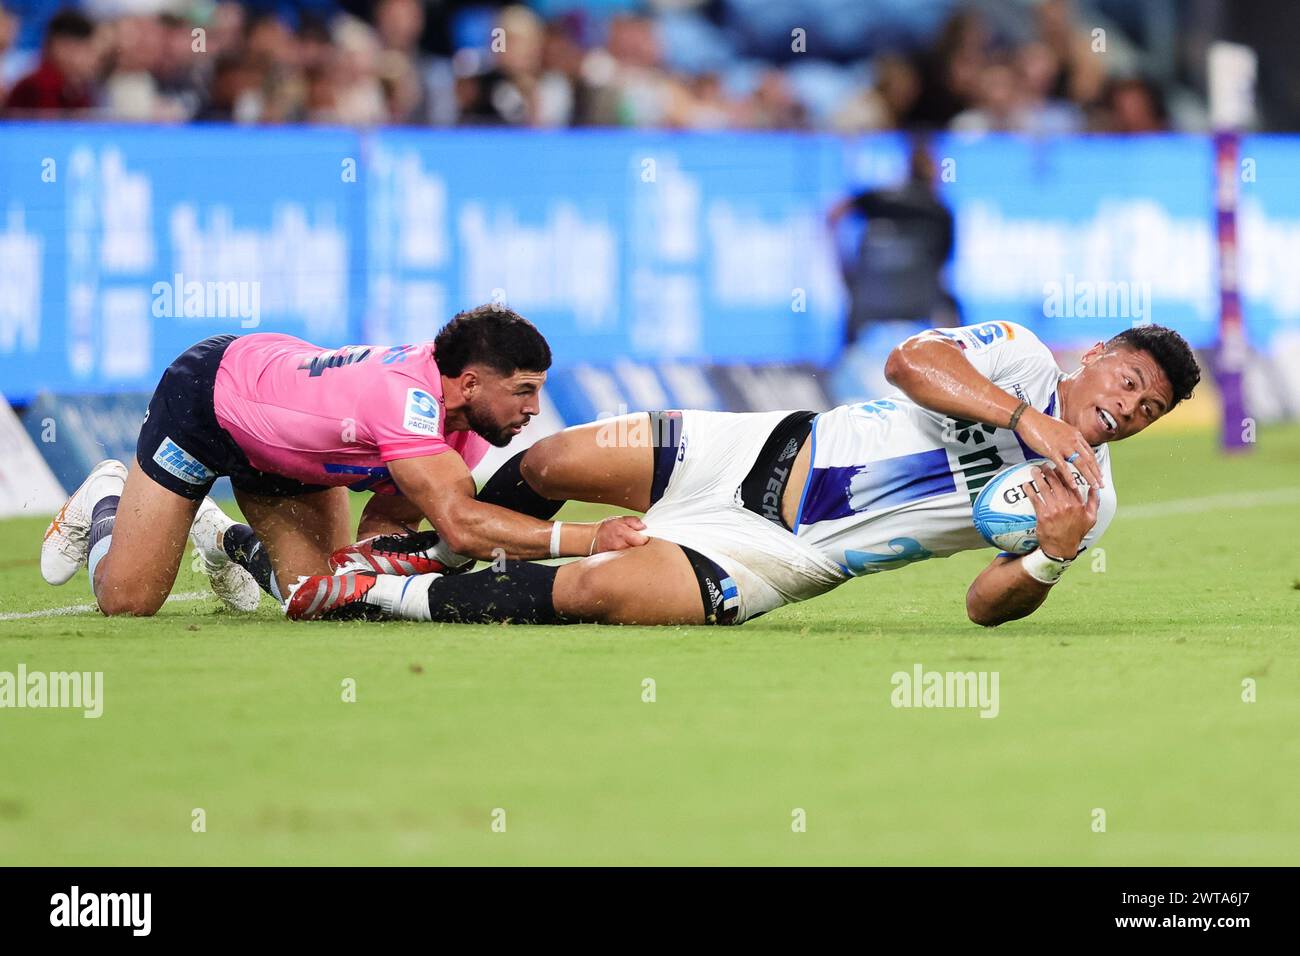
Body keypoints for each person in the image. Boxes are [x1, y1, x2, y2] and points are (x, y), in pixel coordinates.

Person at [287, 322, 1200, 628]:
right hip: (759, 446)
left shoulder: (1089, 502)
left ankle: (368, 598)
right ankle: (429, 556)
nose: (1127, 408)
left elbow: (982, 603)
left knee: (600, 592)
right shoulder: (1020, 358)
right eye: (1127, 382)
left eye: (1148, 409)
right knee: (553, 459)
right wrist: (1020, 418)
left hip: (782, 554)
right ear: (1093, 358)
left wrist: (1046, 561)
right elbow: (908, 363)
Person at [40, 305, 647, 617]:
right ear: (466, 383)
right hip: (211, 402)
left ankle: (228, 540)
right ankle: (104, 500)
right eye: (523, 391)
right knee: (128, 601)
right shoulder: (405, 402)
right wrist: (592, 537)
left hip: (289, 458)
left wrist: (394, 563)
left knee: (322, 595)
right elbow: (460, 524)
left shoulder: (467, 427)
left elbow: (383, 535)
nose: (535, 409)